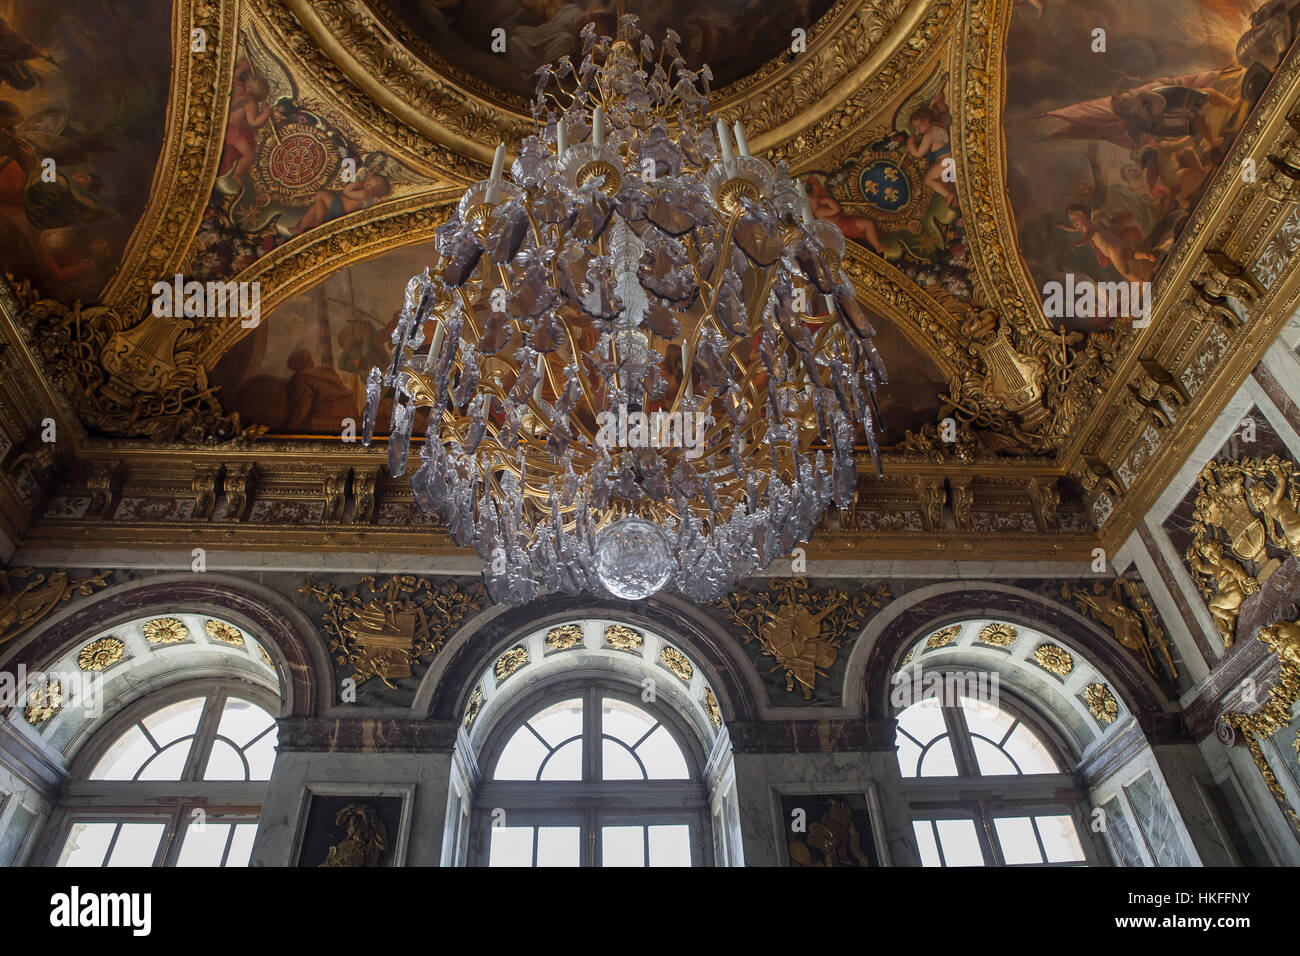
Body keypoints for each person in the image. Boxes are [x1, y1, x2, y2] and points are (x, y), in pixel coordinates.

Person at [805, 176, 885, 255]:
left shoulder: (818, 205)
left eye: (810, 198)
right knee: (868, 224)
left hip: (844, 221)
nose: (812, 202)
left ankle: (876, 244)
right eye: (809, 203)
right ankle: (878, 247)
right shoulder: (819, 211)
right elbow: (836, 209)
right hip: (844, 226)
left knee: (867, 224)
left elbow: (816, 190)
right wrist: (828, 201)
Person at [292, 174, 392, 235]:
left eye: (369, 184)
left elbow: (346, 192)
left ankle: (319, 219)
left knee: (320, 195)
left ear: (374, 191)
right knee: (314, 208)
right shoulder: (369, 196)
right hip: (338, 206)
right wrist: (369, 177)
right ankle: (301, 228)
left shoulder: (364, 194)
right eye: (368, 182)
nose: (366, 184)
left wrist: (355, 184)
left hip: (339, 206)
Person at [285, 349, 358, 433]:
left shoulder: (300, 377)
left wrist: (291, 428)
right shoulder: (327, 371)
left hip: (329, 416)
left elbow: (303, 405)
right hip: (351, 412)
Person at [905, 107, 957, 209]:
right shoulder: (939, 126)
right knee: (942, 182)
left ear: (927, 120)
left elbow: (918, 154)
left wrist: (910, 143)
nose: (917, 129)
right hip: (950, 158)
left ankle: (948, 195)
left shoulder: (929, 133)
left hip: (945, 161)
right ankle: (952, 197)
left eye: (918, 125)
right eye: (915, 128)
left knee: (929, 179)